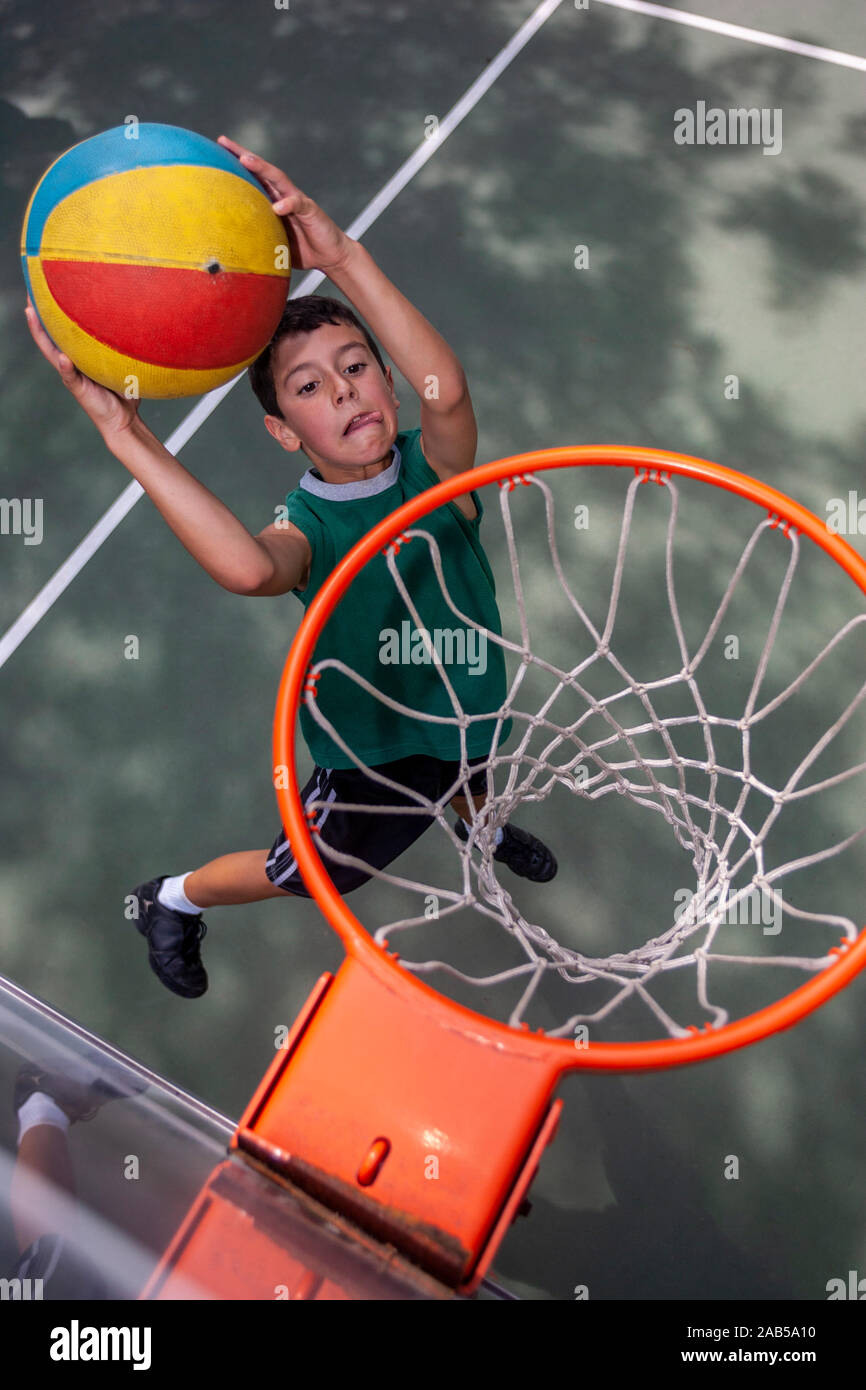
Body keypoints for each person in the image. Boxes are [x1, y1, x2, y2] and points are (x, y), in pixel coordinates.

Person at [25, 134, 556, 1001]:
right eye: (309, 389)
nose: (343, 390)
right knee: (315, 869)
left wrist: (340, 254)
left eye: (356, 369)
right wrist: (125, 433)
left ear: (388, 384)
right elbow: (243, 568)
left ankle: (477, 827)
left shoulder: (439, 474)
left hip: (467, 699)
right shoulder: (307, 528)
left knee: (470, 765)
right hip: (372, 751)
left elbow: (446, 392)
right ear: (282, 433)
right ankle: (171, 897)